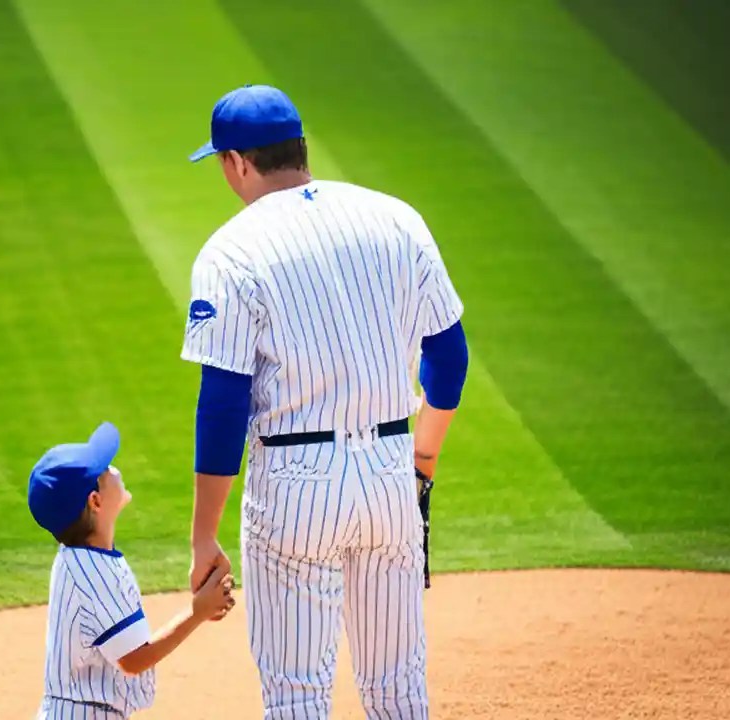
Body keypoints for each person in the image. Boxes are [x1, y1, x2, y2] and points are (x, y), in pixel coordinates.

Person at [182, 85, 469, 719]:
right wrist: (422, 457)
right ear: (300, 148)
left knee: (297, 698)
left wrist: (205, 535)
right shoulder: (396, 218)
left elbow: (223, 406)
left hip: (296, 489)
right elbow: (449, 357)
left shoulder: (230, 252)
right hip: (390, 473)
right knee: (398, 690)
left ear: (237, 162)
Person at [28, 421, 236, 719]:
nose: (114, 469)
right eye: (104, 471)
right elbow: (134, 659)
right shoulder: (91, 575)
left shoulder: (84, 557)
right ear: (95, 501)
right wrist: (197, 612)